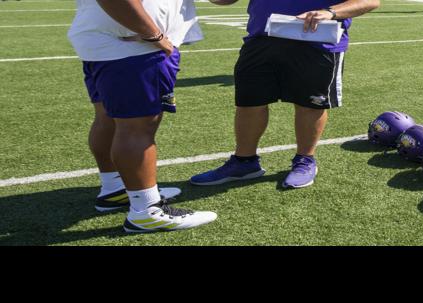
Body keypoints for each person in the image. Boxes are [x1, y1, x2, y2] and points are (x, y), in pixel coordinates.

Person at [190, 0, 380, 190]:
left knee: (311, 105)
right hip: (261, 38)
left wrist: (330, 12)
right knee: (249, 102)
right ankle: (244, 162)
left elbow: (370, 1)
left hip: (316, 41)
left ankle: (305, 160)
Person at [68, 0, 218, 233]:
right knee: (137, 128)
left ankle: (115, 188)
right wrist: (154, 35)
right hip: (133, 44)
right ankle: (146, 210)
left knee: (108, 118)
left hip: (111, 41)